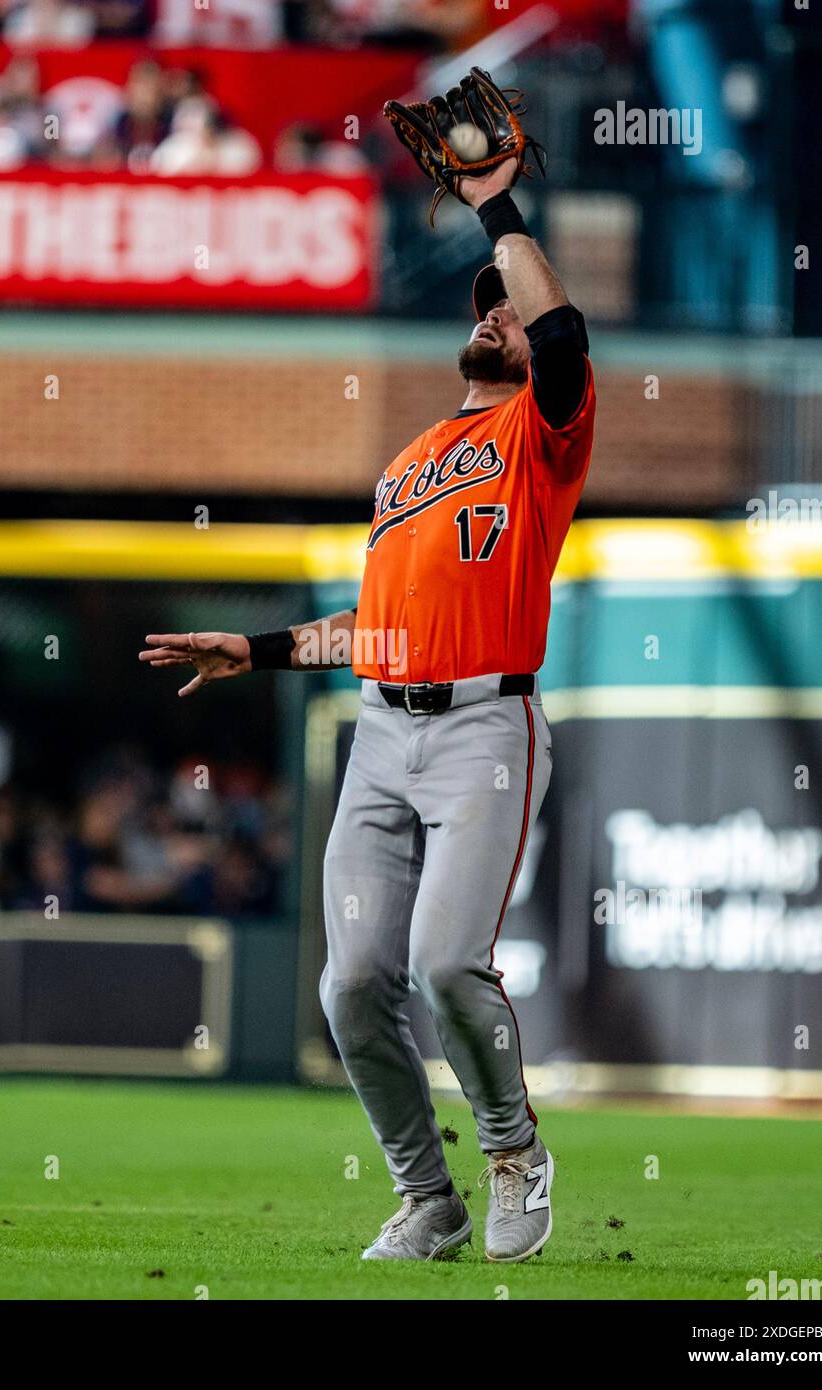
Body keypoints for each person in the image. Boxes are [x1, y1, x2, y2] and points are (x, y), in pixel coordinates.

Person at [139, 153, 595, 1263]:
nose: (493, 322)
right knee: (350, 983)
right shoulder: (410, 463)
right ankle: (425, 1195)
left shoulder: (543, 437)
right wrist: (256, 647)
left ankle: (511, 1153)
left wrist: (495, 207)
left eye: (510, 315)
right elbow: (378, 620)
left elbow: (565, 338)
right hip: (382, 728)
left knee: (446, 962)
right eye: (484, 310)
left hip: (485, 726)